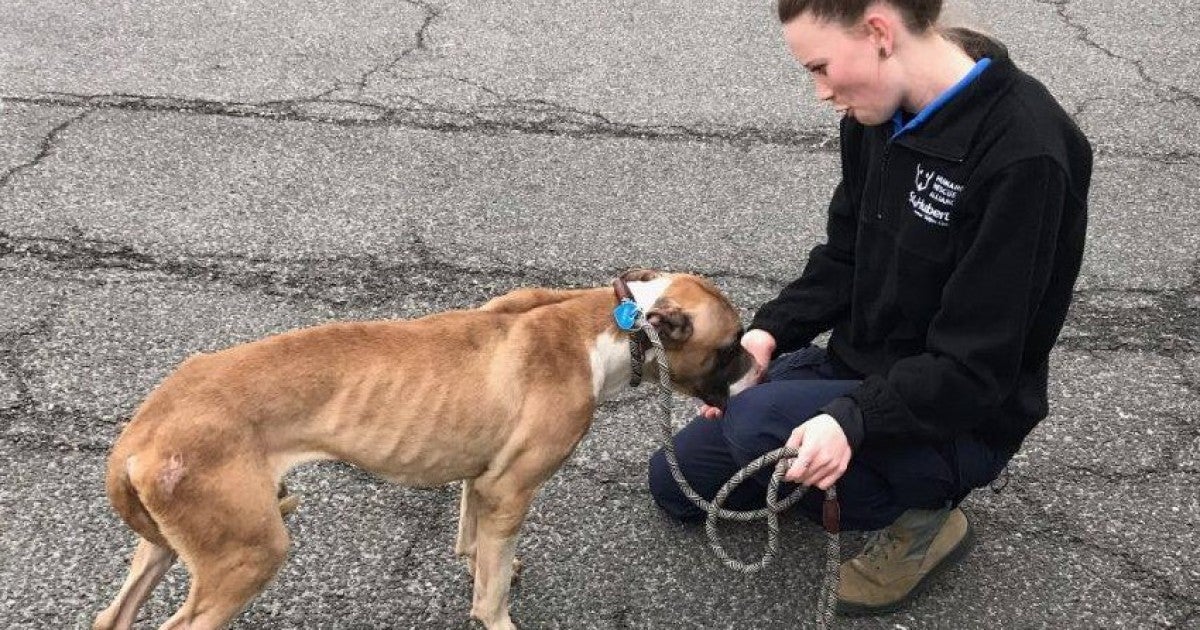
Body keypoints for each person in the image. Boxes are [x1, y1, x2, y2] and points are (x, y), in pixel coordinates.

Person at [647, 0, 1091, 616]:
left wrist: (850, 419)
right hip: (864, 365)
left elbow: (976, 367)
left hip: (960, 413)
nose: (820, 91)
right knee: (677, 482)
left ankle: (926, 517)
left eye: (822, 67)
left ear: (880, 32)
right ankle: (828, 459)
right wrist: (769, 334)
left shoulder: (1026, 154)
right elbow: (845, 254)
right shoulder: (877, 113)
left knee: (758, 426)